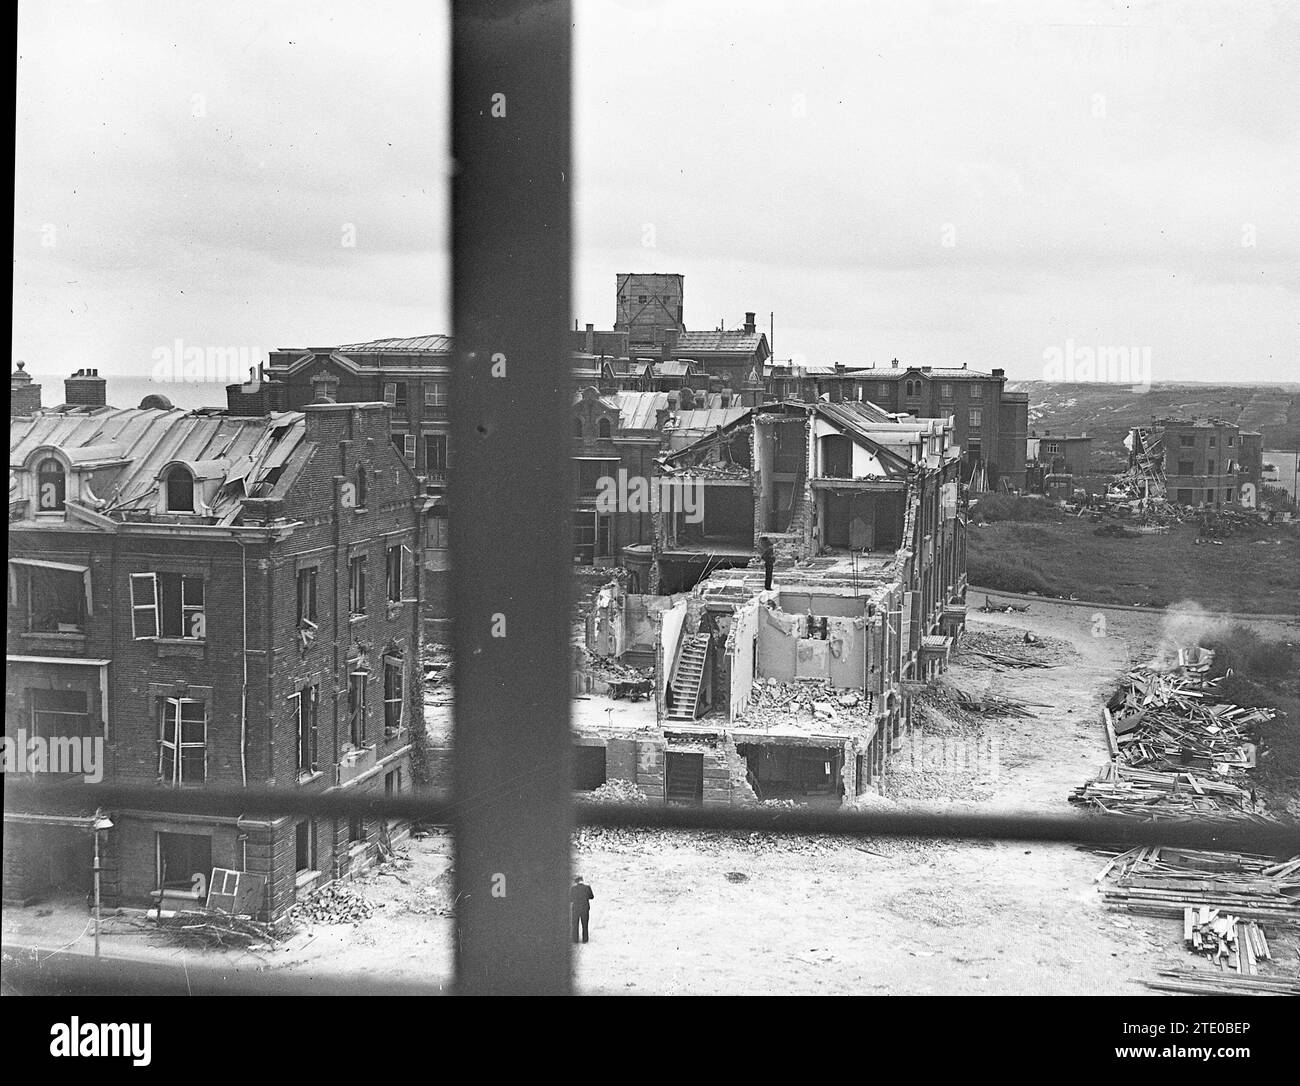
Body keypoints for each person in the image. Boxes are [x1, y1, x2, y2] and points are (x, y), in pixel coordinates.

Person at [570, 875, 594, 943]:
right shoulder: (587, 888)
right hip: (585, 908)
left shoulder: (573, 888)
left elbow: (570, 899)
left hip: (576, 909)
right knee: (585, 924)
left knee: (575, 925)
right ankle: (585, 939)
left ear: (576, 882)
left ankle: (575, 939)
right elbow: (592, 896)